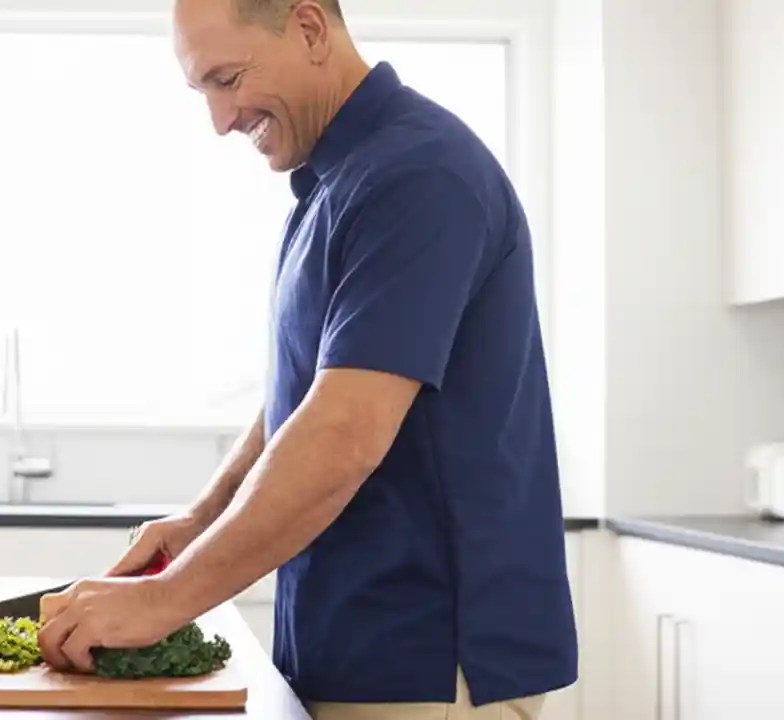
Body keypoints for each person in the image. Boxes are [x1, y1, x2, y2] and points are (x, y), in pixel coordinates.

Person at [37, 1, 578, 717]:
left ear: (311, 29)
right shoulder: (337, 180)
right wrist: (202, 517)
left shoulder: (421, 177)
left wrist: (165, 600)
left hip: (426, 660)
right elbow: (312, 391)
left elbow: (343, 434)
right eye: (204, 92)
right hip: (353, 646)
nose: (221, 120)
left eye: (227, 79)